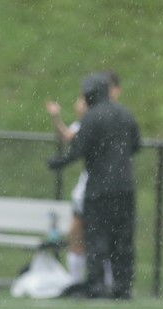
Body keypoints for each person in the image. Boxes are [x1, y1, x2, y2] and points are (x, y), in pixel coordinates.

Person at [48, 72, 140, 299]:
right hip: (125, 187)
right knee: (123, 238)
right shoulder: (126, 114)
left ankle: (97, 284)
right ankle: (122, 286)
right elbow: (136, 145)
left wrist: (57, 163)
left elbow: (77, 149)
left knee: (97, 236)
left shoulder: (92, 118)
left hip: (99, 188)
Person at [45, 93, 89, 285]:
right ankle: (76, 280)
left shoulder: (94, 123)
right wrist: (55, 117)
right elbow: (66, 137)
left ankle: (101, 281)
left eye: (81, 100)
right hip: (87, 191)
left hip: (96, 191)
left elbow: (70, 142)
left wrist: (60, 162)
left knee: (96, 237)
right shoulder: (82, 125)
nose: (77, 104)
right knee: (76, 235)